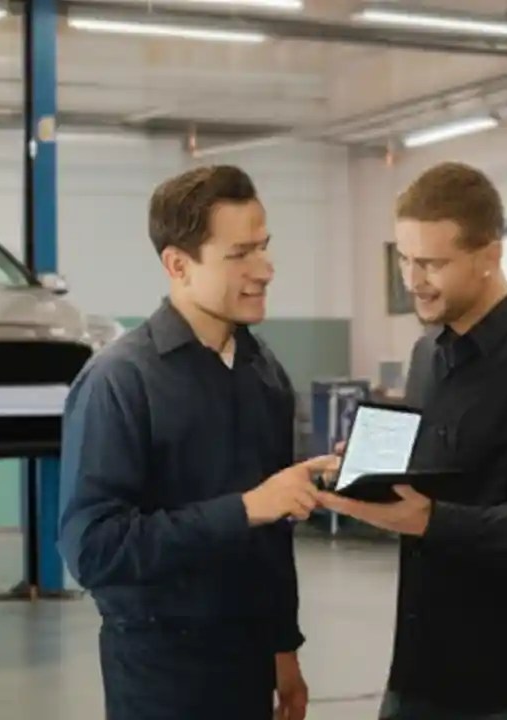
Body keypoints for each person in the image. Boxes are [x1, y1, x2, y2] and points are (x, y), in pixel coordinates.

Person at [318, 161, 507, 720]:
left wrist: (428, 520)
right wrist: (373, 477)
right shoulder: (430, 354)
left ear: (490, 256)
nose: (412, 280)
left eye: (432, 263)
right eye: (404, 258)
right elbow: (444, 473)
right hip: (426, 659)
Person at [58, 164, 336, 720]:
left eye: (263, 247)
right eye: (239, 255)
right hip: (159, 678)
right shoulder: (120, 380)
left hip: (250, 669)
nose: (265, 270)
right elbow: (92, 549)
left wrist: (285, 650)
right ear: (177, 264)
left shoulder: (264, 374)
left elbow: (271, 542)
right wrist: (245, 509)